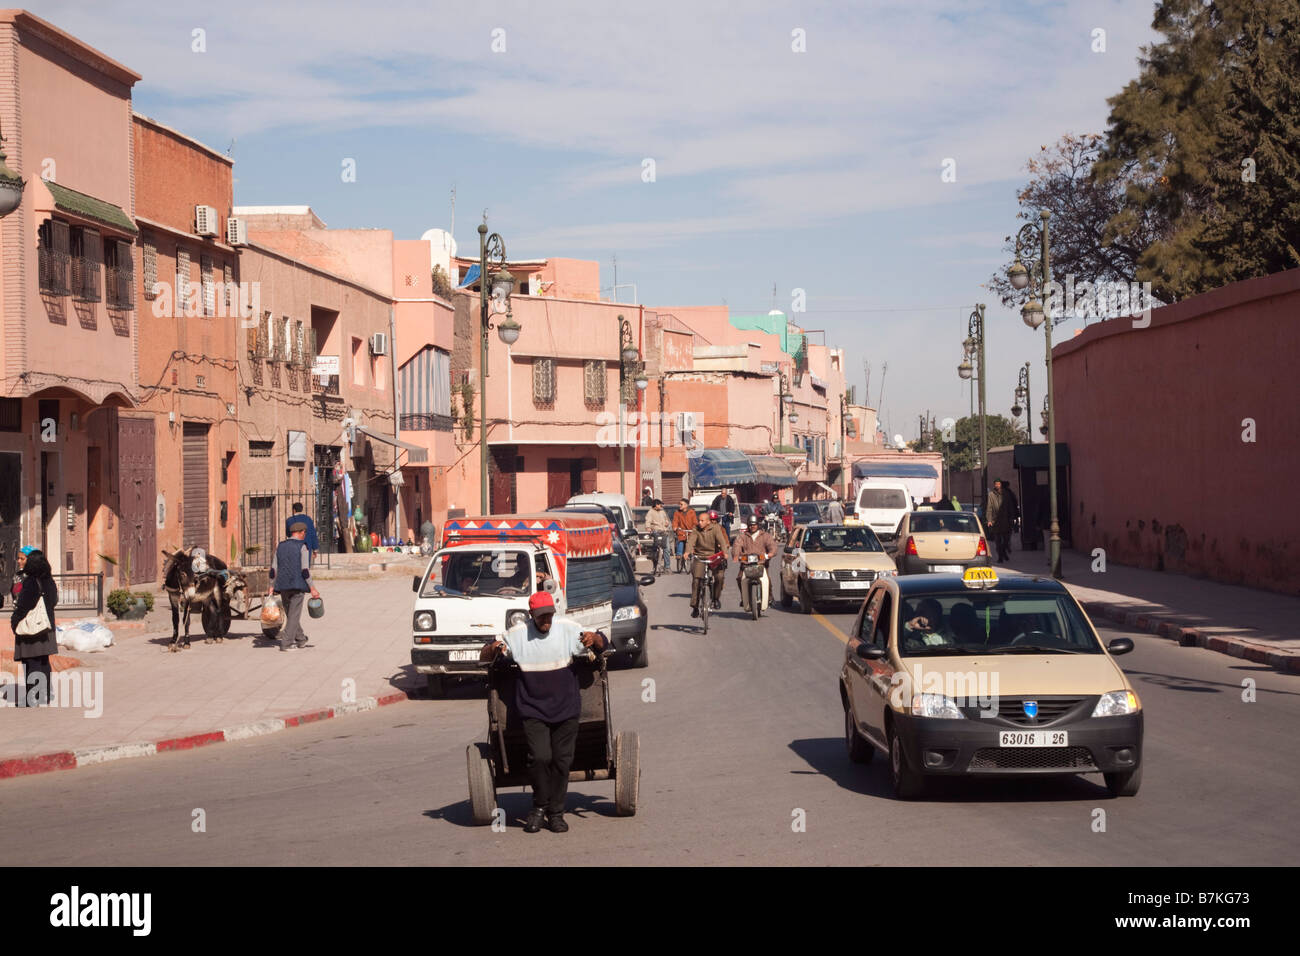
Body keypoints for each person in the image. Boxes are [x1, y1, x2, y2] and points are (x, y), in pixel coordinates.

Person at [480, 591, 608, 833]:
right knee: (540, 757)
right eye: (541, 617)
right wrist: (494, 649)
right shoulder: (518, 634)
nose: (546, 620)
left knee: (562, 761)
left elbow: (600, 641)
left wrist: (595, 639)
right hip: (533, 709)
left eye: (549, 615)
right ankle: (539, 807)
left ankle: (556, 813)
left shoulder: (567, 628)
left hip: (566, 708)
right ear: (531, 615)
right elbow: (487, 653)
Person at [10, 547, 57, 706]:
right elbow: (54, 601)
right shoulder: (49, 580)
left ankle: (33, 697)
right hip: (47, 627)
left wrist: (14, 622)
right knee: (44, 662)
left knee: (32, 662)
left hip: (31, 629)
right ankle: (46, 695)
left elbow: (23, 606)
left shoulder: (30, 582)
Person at [268, 518, 321, 651]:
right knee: (294, 615)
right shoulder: (303, 547)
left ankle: (301, 639)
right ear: (301, 532)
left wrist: (271, 585)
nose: (305, 534)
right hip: (297, 585)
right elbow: (305, 570)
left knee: (291, 614)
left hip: (283, 586)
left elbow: (274, 568)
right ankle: (286, 643)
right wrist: (312, 588)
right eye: (304, 532)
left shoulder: (280, 546)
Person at [685, 509, 730, 618]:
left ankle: (715, 599)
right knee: (696, 580)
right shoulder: (696, 529)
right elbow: (691, 541)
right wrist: (687, 551)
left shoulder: (716, 529)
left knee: (719, 577)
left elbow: (722, 541)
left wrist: (725, 552)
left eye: (702, 520)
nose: (699, 522)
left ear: (708, 522)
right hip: (700, 556)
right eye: (699, 520)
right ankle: (695, 607)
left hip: (713, 557)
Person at [731, 513, 778, 607]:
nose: (752, 526)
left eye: (754, 524)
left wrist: (770, 554)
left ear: (758, 525)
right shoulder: (743, 536)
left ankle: (769, 597)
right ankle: (743, 597)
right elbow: (737, 546)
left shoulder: (765, 536)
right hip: (746, 564)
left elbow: (772, 546)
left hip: (761, 563)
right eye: (751, 525)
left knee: (767, 579)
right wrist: (736, 555)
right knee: (740, 578)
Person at [988, 479, 1016, 563]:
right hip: (996, 521)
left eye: (999, 484)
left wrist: (1013, 517)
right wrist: (989, 520)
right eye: (996, 484)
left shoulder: (1007, 494)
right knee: (998, 541)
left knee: (1006, 539)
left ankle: (1003, 552)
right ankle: (1000, 556)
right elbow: (989, 508)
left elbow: (1012, 506)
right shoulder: (991, 495)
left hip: (1006, 521)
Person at [671, 497, 698, 573]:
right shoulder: (677, 512)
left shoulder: (692, 512)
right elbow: (675, 521)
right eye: (679, 504)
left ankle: (691, 555)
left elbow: (695, 522)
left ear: (686, 505)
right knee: (680, 541)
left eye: (681, 504)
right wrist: (675, 527)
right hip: (681, 531)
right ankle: (679, 555)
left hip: (690, 532)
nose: (680, 505)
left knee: (692, 543)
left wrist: (695, 528)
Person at [645, 498, 672, 572]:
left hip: (664, 531)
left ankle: (667, 567)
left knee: (667, 549)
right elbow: (648, 521)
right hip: (656, 531)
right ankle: (654, 562)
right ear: (656, 505)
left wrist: (667, 523)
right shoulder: (650, 512)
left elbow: (667, 520)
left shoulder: (662, 511)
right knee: (655, 547)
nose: (661, 506)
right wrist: (648, 528)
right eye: (660, 504)